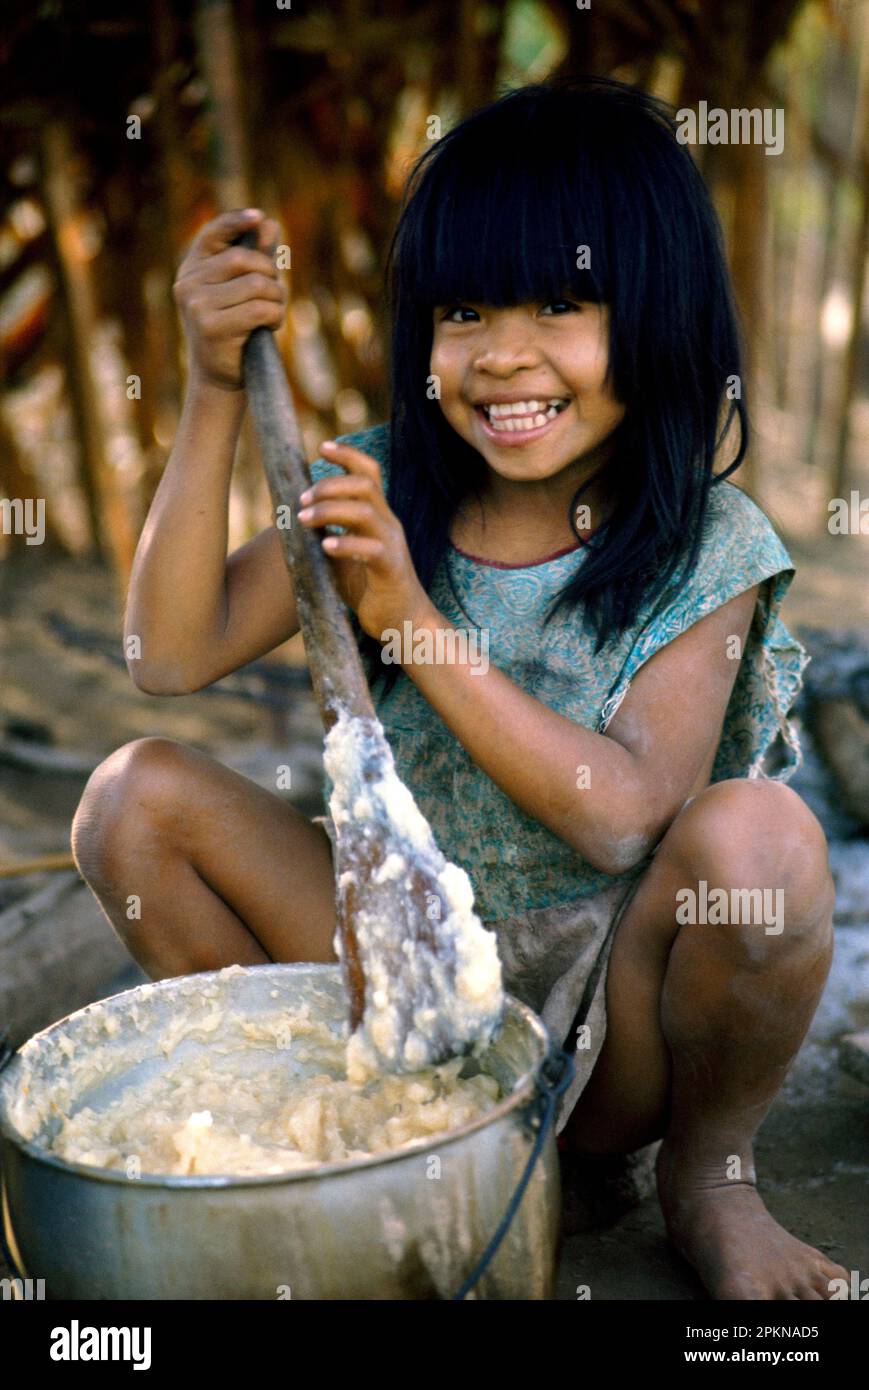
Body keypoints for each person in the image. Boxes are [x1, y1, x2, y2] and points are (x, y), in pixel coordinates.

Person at [72, 78, 847, 1301]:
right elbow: (167, 656)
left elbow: (623, 812)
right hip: (395, 978)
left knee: (761, 843)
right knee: (132, 802)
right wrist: (215, 389)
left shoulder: (710, 546)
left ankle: (705, 1178)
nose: (501, 354)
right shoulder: (386, 488)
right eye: (464, 308)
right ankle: (360, 1131)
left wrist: (417, 627)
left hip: (607, 1018)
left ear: (655, 317)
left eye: (559, 302)